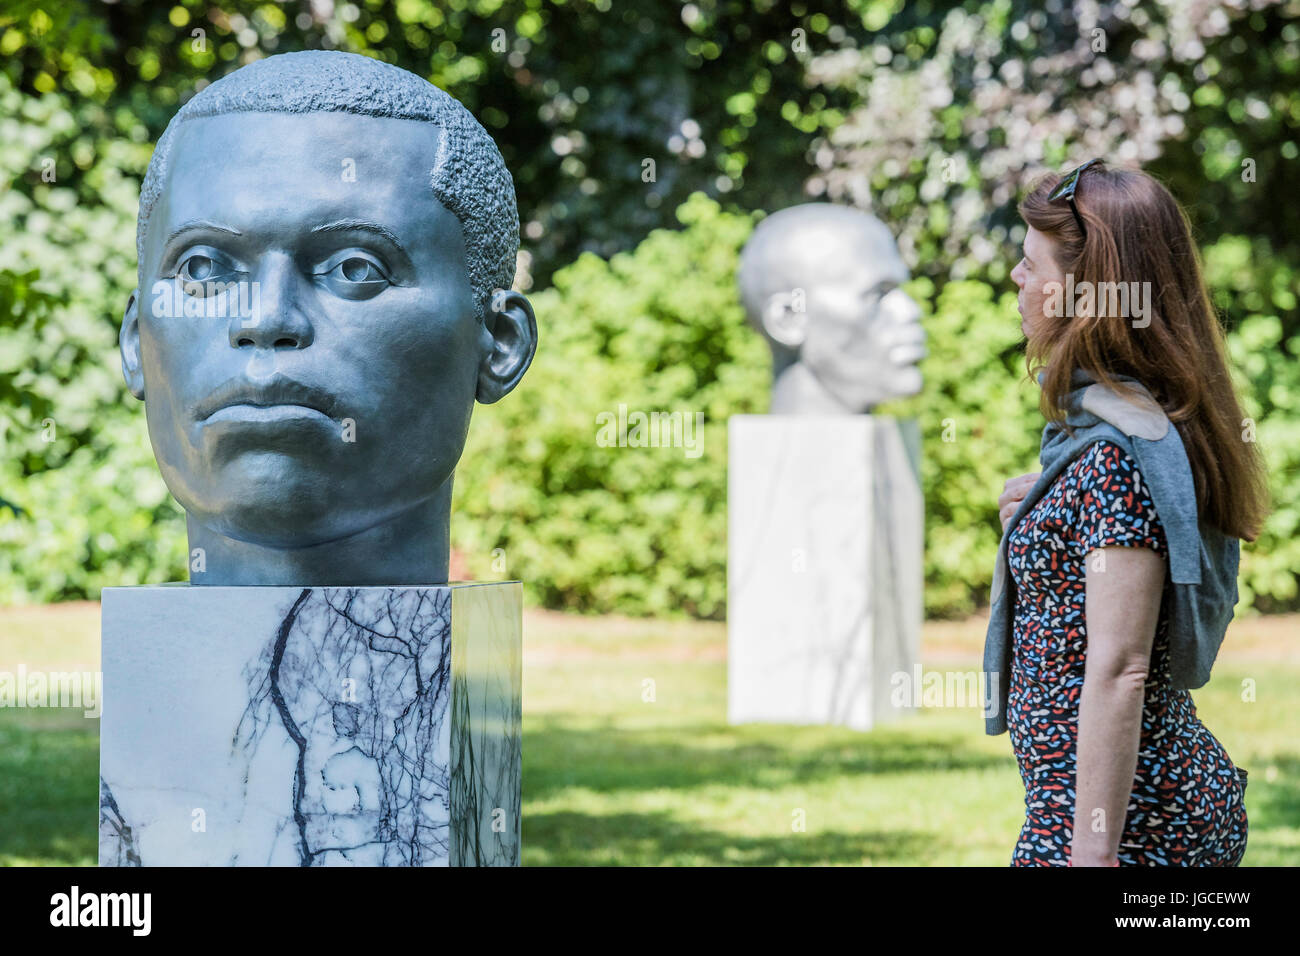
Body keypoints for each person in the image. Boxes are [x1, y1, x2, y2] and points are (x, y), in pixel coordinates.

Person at [988, 159, 1269, 866]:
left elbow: (1119, 667)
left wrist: (1093, 856)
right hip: (1120, 808)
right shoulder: (1110, 438)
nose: (1017, 280)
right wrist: (1045, 516)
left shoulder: (1120, 457)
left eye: (1030, 265)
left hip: (1129, 825)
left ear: (1086, 292)